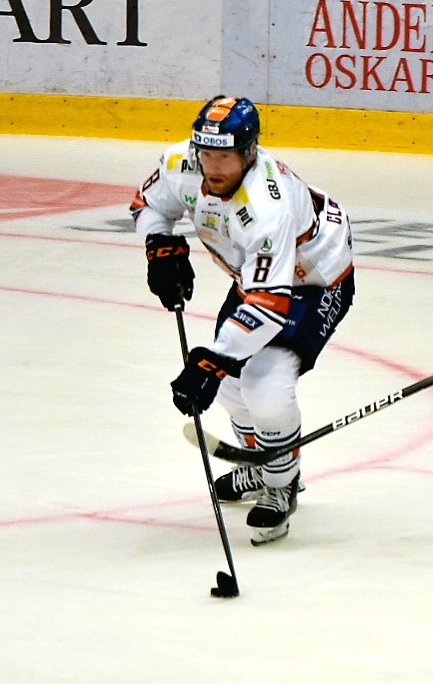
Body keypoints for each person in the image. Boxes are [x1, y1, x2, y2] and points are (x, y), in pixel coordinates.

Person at [129, 96, 355, 545]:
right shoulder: (180, 163)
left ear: (249, 151)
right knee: (232, 383)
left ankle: (281, 482)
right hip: (260, 278)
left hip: (317, 278)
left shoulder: (268, 203)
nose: (213, 167)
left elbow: (269, 306)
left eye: (225, 156)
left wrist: (211, 362)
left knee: (265, 383)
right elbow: (148, 204)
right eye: (206, 154)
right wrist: (159, 245)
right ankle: (260, 465)